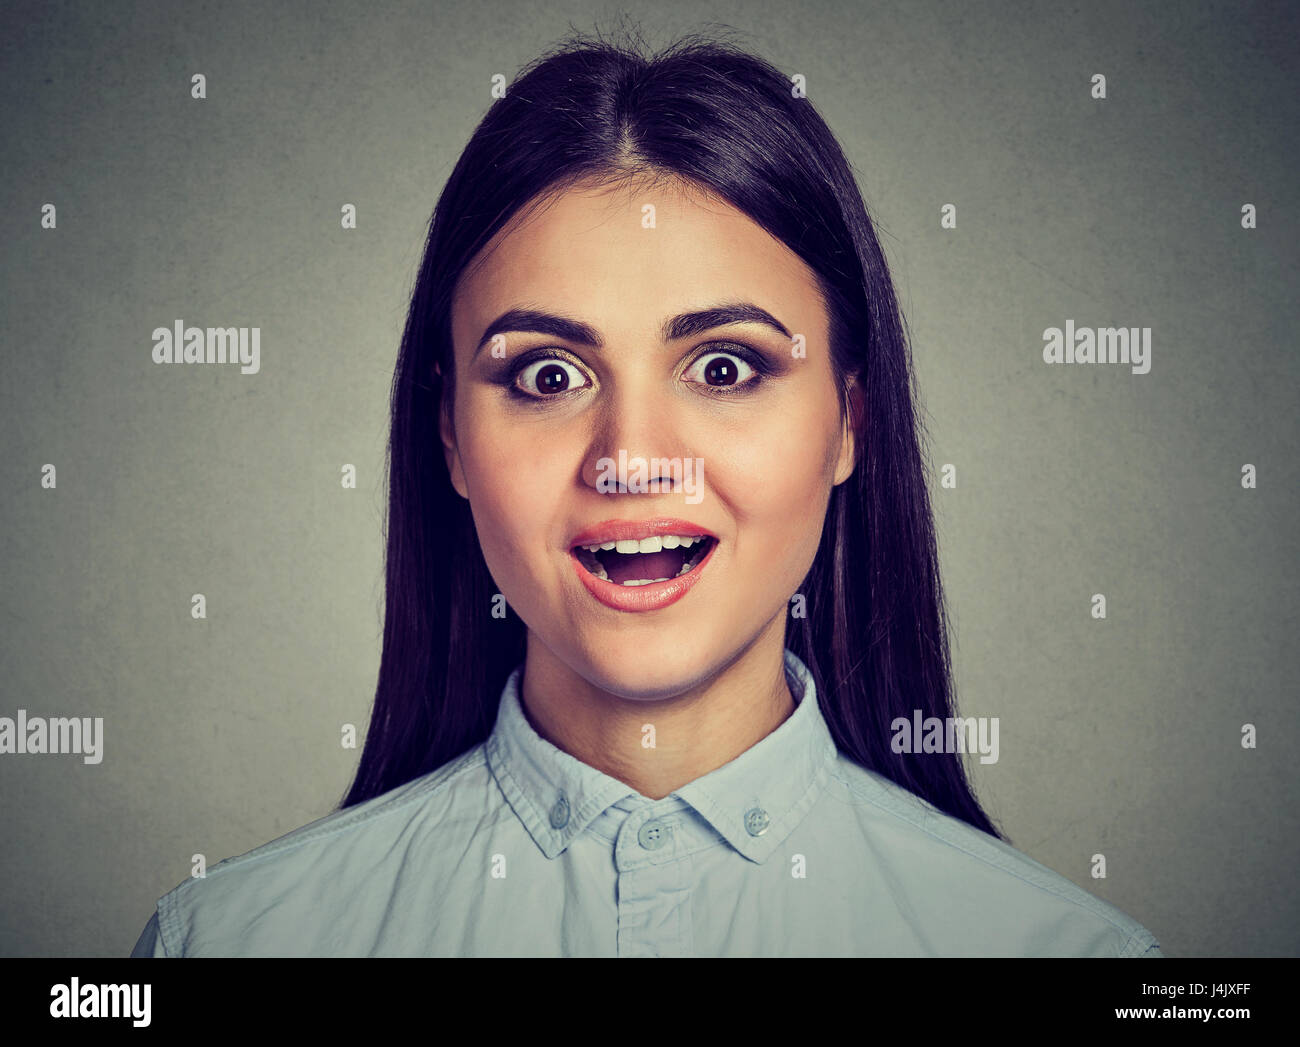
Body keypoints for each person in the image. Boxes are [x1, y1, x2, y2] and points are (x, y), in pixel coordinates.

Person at [130, 30, 1162, 957]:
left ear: (851, 420)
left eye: (723, 368)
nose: (631, 460)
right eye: (546, 376)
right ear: (449, 436)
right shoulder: (223, 943)